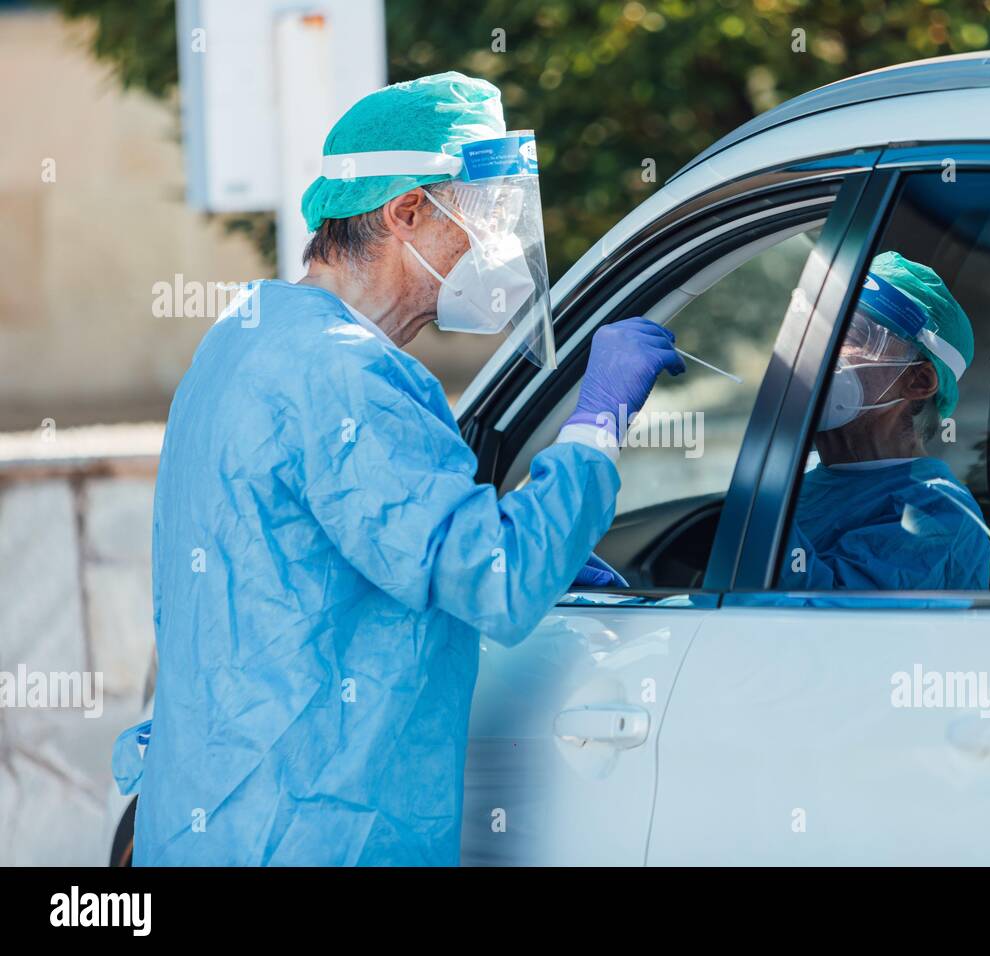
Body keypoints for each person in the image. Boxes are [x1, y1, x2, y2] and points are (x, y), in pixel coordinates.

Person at [110, 72, 682, 865]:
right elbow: (501, 583)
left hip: (209, 816)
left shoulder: (245, 339)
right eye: (486, 215)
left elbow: (338, 556)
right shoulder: (345, 374)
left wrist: (529, 529)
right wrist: (598, 422)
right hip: (315, 834)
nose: (502, 247)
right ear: (405, 208)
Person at [779, 251, 990, 592]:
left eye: (848, 333)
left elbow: (817, 623)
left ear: (919, 381)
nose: (814, 350)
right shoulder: (801, 477)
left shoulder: (936, 511)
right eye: (816, 329)